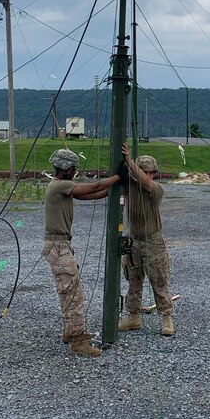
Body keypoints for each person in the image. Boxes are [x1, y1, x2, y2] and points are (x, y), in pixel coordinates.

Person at [43, 148, 121, 357]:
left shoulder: (61, 187)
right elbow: (93, 186)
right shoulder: (60, 185)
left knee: (68, 289)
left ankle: (70, 332)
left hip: (60, 244)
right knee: (73, 293)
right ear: (66, 168)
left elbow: (89, 195)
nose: (75, 171)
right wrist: (117, 178)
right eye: (73, 168)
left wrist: (112, 190)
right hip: (58, 245)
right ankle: (77, 340)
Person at [116, 142, 175, 336]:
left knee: (159, 281)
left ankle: (166, 318)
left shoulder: (156, 189)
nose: (148, 176)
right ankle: (133, 317)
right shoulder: (130, 187)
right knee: (134, 281)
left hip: (153, 241)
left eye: (151, 172)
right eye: (145, 172)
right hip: (135, 241)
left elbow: (147, 183)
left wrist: (129, 161)